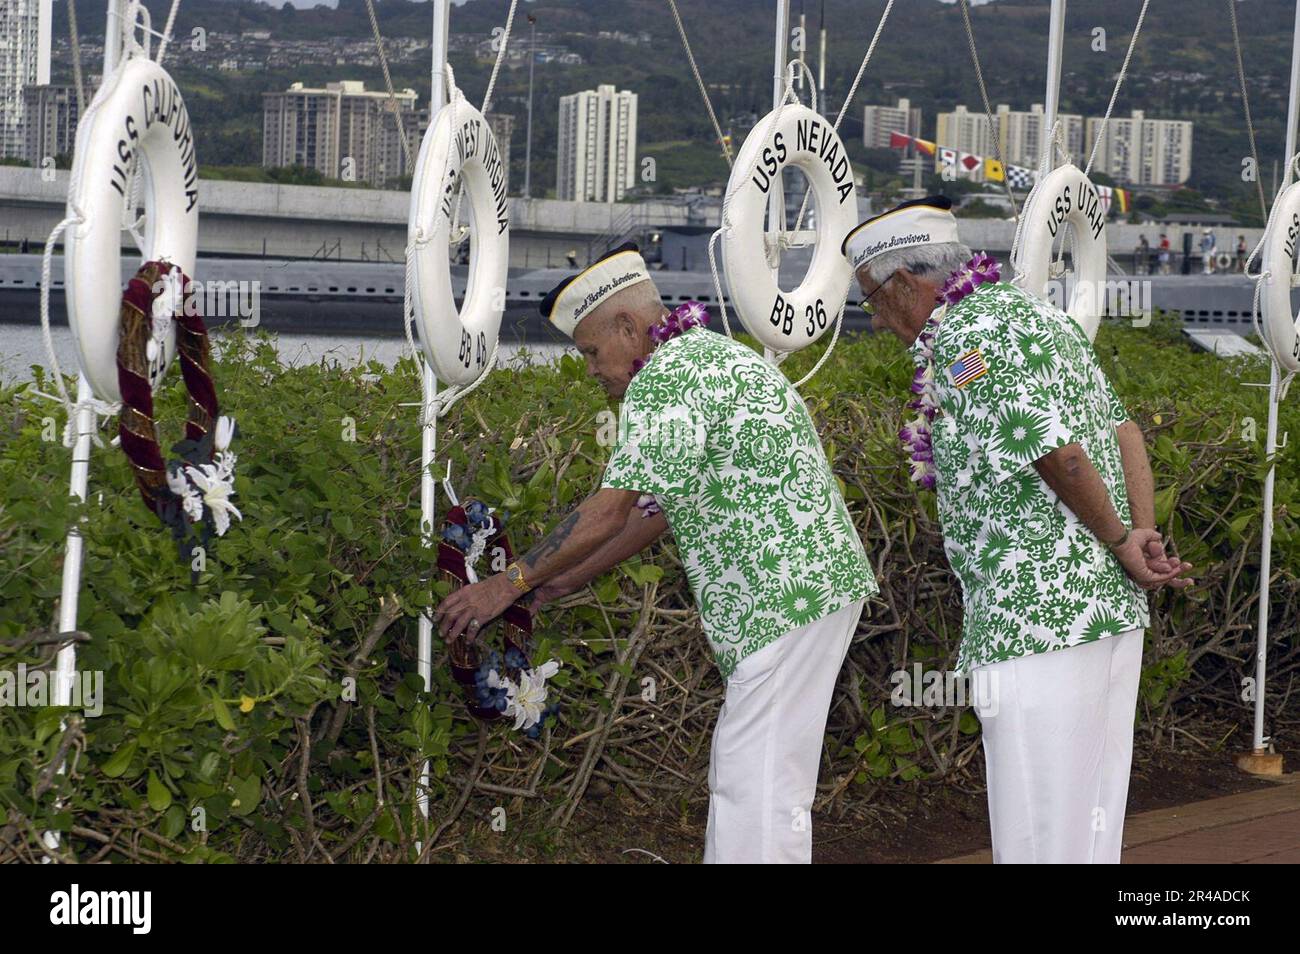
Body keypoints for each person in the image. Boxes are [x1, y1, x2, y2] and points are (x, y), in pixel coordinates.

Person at [434, 243, 879, 863]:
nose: (591, 370)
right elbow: (658, 509)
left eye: (591, 351)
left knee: (756, 781)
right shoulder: (711, 356)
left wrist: (503, 585)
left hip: (784, 600)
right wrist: (562, 578)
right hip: (807, 592)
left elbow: (611, 508)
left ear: (626, 327)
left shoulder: (665, 379)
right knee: (757, 775)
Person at [841, 196, 1194, 864]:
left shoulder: (961, 344)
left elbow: (1054, 451)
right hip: (1106, 610)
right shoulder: (1040, 318)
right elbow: (1125, 433)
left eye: (871, 301)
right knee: (1090, 820)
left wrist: (1123, 539)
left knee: (1037, 823)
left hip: (1033, 621)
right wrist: (1139, 535)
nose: (877, 319)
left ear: (906, 285)